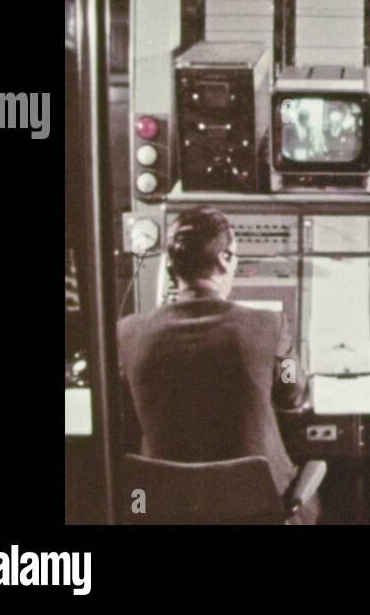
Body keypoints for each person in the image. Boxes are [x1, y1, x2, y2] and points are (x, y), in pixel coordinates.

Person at [117, 207, 317, 524]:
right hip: (259, 511)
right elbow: (292, 392)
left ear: (171, 266)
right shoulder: (270, 325)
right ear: (224, 258)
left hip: (166, 510)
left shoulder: (127, 331)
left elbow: (126, 414)